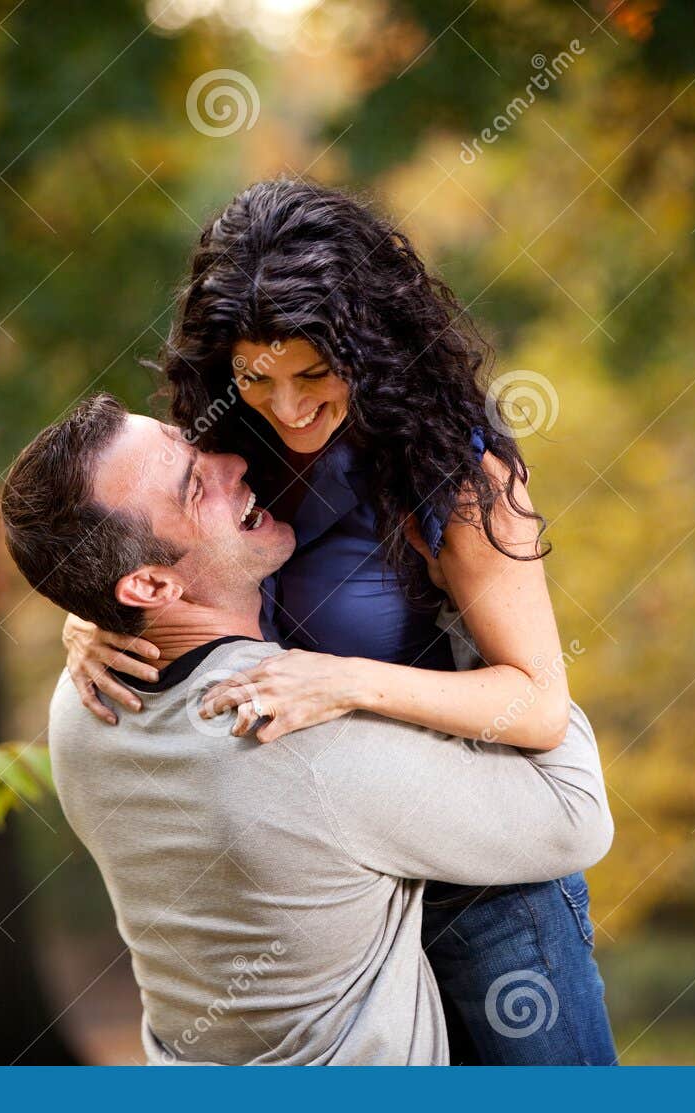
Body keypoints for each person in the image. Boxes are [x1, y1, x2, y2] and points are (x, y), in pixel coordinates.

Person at [59, 178, 617, 1063]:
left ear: (373, 345)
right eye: (257, 376)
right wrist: (91, 620)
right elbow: (153, 562)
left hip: (482, 886)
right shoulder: (228, 452)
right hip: (334, 898)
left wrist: (344, 682)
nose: (287, 406)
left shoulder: (458, 480)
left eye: (315, 375)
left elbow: (537, 705)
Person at [0, 394, 613, 1064]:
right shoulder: (289, 729)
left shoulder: (77, 711)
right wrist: (479, 601)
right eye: (196, 486)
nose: (234, 461)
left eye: (195, 444)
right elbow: (574, 812)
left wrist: (90, 615)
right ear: (149, 587)